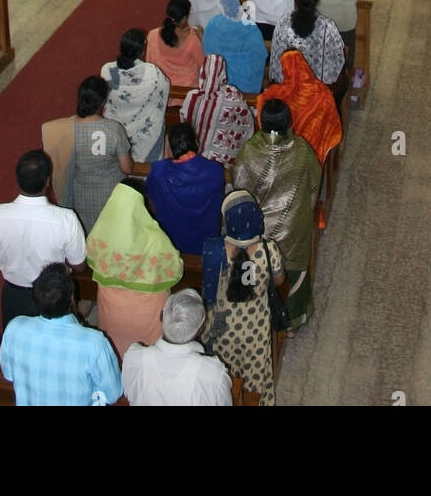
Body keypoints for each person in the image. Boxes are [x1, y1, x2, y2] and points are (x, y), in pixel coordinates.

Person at [233, 100, 321, 333]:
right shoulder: (301, 150)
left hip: (257, 233)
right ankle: (292, 321)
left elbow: (240, 192)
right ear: (289, 122)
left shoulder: (249, 151)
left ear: (261, 122)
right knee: (296, 263)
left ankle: (255, 314)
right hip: (292, 228)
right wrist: (302, 210)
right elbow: (314, 186)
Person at [0, 149, 87, 329]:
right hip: (53, 296)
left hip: (13, 294)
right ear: (47, 181)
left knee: (16, 342)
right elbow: (79, 265)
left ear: (18, 180)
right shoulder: (66, 219)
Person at [201, 189, 285, 407]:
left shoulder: (213, 249)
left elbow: (207, 291)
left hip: (221, 326)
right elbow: (279, 281)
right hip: (255, 329)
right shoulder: (270, 251)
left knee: (224, 376)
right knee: (256, 379)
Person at [0, 263, 122, 407]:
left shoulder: (15, 328)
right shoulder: (94, 342)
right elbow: (112, 394)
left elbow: (8, 374)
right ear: (71, 299)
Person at [85, 180, 182, 359]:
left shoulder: (101, 231)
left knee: (115, 350)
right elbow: (174, 269)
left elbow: (89, 256)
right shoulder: (154, 237)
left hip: (112, 311)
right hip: (146, 314)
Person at [42, 76, 133, 234]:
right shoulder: (114, 129)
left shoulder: (67, 130)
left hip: (81, 199)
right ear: (103, 102)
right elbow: (127, 168)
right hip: (111, 197)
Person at [122, 288, 232, 407]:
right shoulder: (213, 373)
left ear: (161, 316)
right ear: (200, 329)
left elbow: (128, 393)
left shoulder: (133, 358)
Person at [146, 122, 225, 255]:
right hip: (206, 245)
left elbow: (153, 200)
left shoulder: (159, 172)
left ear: (170, 147)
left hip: (170, 245)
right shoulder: (215, 171)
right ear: (196, 143)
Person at [258, 50, 342, 165]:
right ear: (304, 65)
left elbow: (262, 100)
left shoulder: (279, 92)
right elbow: (330, 119)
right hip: (315, 141)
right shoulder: (322, 90)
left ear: (285, 69)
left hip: (285, 148)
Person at [101, 28, 169, 164]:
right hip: (145, 135)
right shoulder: (152, 73)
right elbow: (162, 92)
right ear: (142, 50)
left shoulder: (108, 70)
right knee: (157, 118)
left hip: (116, 130)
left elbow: (111, 95)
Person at [181, 52, 255, 167]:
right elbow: (245, 121)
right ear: (222, 75)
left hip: (194, 157)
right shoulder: (232, 95)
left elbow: (184, 123)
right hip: (222, 161)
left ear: (202, 73)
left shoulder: (192, 97)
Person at [269, 0, 345, 89]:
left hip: (288, 92)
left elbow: (275, 60)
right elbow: (339, 60)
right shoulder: (328, 26)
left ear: (295, 0)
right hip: (317, 95)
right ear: (316, 1)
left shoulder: (282, 23)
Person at [201, 0, 268, 94]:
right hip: (248, 79)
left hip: (222, 81)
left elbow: (208, 50)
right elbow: (260, 52)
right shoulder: (248, 23)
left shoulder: (213, 24)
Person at [146, 0, 204, 89]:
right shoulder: (192, 41)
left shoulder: (152, 35)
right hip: (185, 94)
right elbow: (204, 65)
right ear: (185, 19)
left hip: (160, 90)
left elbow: (149, 63)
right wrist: (201, 39)